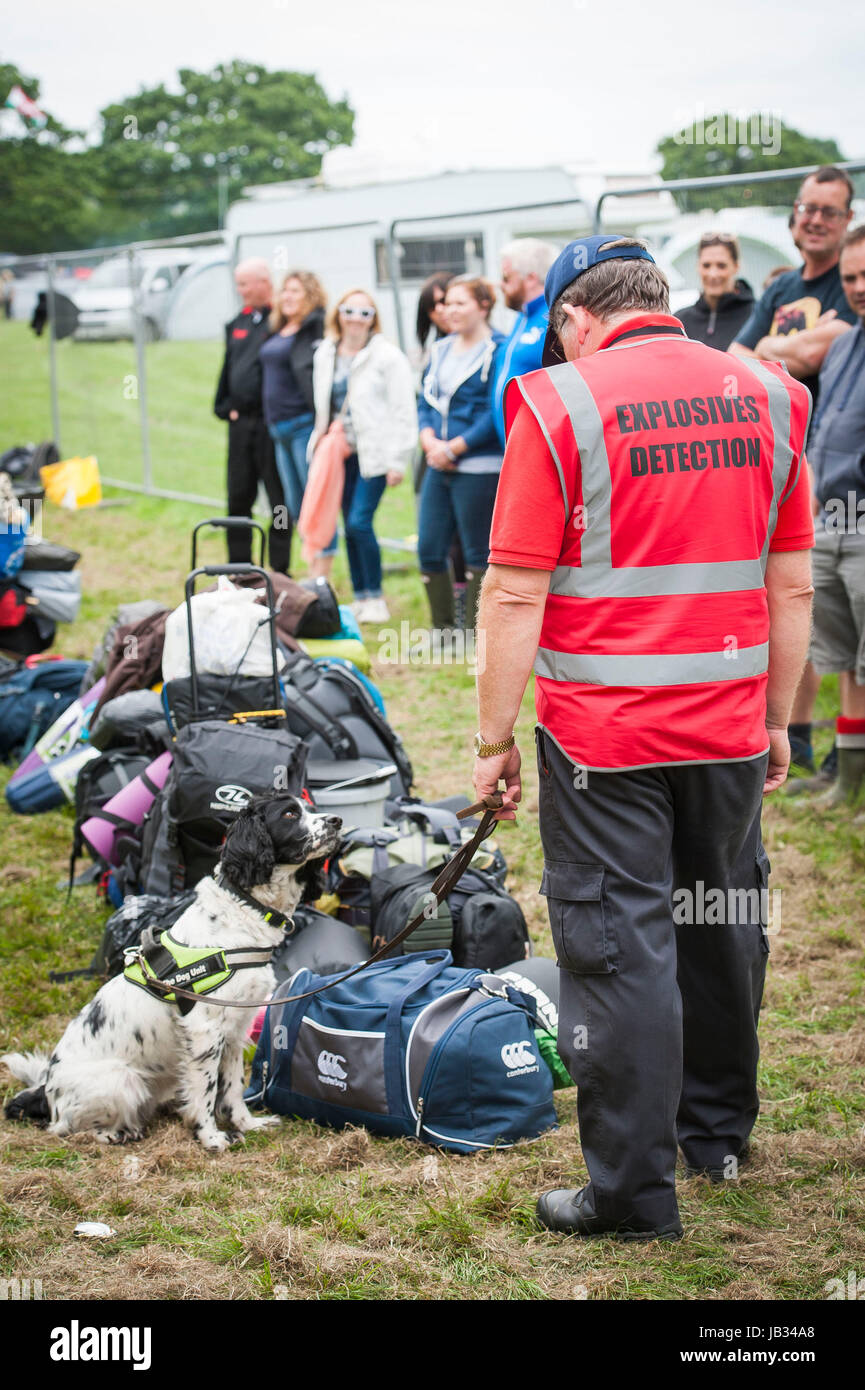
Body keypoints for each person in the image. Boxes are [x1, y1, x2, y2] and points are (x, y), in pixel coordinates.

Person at [473, 235, 814, 1241]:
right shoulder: (769, 398)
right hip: (726, 730)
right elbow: (788, 581)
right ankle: (715, 1135)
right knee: (719, 922)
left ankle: (630, 1191)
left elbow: (511, 588)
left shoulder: (556, 402)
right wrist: (775, 716)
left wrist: (493, 739)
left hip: (603, 739)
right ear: (659, 301)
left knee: (620, 950)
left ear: (577, 320)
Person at [791, 225, 865, 805]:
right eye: (850, 278)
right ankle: (847, 779)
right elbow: (821, 431)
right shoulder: (842, 346)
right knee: (843, 661)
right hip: (832, 524)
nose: (858, 287)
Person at [310, 288, 417, 624]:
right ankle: (360, 596)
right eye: (349, 310)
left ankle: (376, 597)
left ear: (374, 319)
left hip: (374, 453)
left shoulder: (387, 357)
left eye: (365, 313)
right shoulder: (325, 353)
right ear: (338, 314)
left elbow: (403, 409)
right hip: (338, 453)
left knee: (360, 521)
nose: (356, 318)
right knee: (347, 526)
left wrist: (398, 460)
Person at [417, 276, 505, 633]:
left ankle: (473, 633)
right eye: (446, 304)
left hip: (478, 466)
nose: (450, 311)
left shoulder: (498, 348)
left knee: (476, 554)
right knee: (429, 548)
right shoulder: (439, 349)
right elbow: (424, 399)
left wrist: (456, 446)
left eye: (460, 303)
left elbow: (494, 408)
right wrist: (428, 439)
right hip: (438, 462)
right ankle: (443, 630)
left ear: (483, 306)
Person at [730, 166, 857, 409]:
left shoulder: (853, 281)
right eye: (809, 209)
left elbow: (810, 355)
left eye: (829, 212)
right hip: (782, 438)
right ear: (797, 210)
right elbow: (736, 359)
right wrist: (801, 345)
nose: (816, 221)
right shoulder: (781, 286)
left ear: (848, 218)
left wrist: (765, 345)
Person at [213, 259, 292, 572]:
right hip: (240, 426)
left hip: (271, 426)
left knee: (279, 503)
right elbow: (229, 367)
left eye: (245, 284)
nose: (240, 290)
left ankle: (280, 569)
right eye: (238, 284)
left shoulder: (281, 322)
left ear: (264, 283)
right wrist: (224, 405)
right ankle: (239, 569)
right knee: (237, 498)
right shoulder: (237, 324)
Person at [260, 270, 333, 577]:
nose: (286, 297)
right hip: (279, 430)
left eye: (295, 291)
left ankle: (322, 575)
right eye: (284, 291)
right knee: (294, 504)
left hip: (304, 425)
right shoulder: (279, 328)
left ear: (311, 295)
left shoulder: (315, 329)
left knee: (316, 501)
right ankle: (311, 567)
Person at [492, 238, 559, 447]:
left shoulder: (554, 318)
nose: (500, 285)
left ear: (531, 278)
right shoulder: (522, 317)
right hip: (513, 447)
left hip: (540, 447)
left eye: (506, 277)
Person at [675, 232, 754, 350]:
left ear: (736, 266)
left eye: (721, 266)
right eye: (706, 265)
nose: (713, 274)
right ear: (698, 267)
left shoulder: (756, 317)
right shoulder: (680, 322)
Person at [415, 272, 452, 368]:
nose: (439, 309)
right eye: (431, 306)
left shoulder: (489, 346)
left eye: (443, 301)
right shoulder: (437, 353)